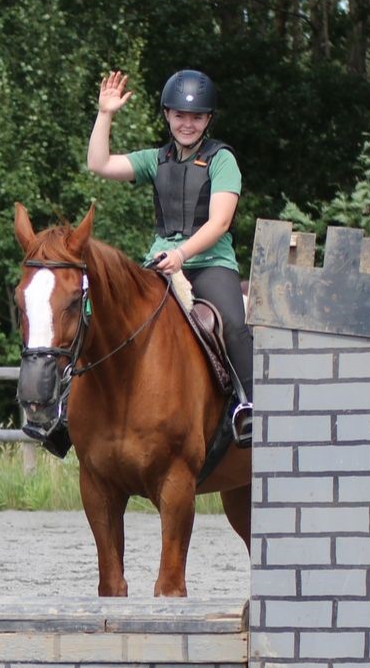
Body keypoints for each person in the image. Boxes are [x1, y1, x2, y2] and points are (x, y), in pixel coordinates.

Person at [85, 68, 254, 446]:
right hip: (160, 261)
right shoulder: (155, 159)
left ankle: (251, 407)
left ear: (208, 119)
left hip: (209, 263)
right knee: (104, 313)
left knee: (233, 323)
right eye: (180, 115)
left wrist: (181, 254)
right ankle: (71, 407)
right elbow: (99, 164)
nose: (187, 124)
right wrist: (105, 114)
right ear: (167, 115)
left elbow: (221, 221)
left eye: (196, 117)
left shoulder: (221, 159)